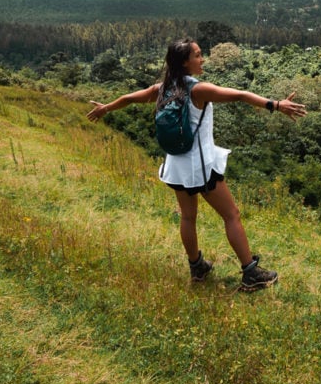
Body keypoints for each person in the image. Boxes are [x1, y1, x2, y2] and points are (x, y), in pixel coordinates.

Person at [86, 37, 306, 291]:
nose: (202, 59)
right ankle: (250, 273)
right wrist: (276, 105)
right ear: (184, 62)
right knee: (231, 215)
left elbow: (128, 98)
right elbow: (241, 95)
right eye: (198, 55)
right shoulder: (197, 89)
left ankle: (197, 267)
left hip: (177, 166)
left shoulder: (162, 88)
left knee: (188, 217)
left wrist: (106, 108)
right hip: (200, 166)